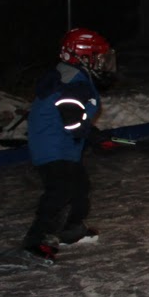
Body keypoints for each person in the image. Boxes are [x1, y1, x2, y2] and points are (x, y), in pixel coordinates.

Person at [21, 27, 116, 261]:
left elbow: (77, 117)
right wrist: (92, 137)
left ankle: (71, 230)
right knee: (60, 190)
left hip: (63, 144)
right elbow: (71, 118)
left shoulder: (75, 77)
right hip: (51, 146)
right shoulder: (71, 81)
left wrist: (92, 133)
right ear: (82, 57)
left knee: (79, 186)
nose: (103, 65)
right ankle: (36, 239)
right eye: (99, 59)